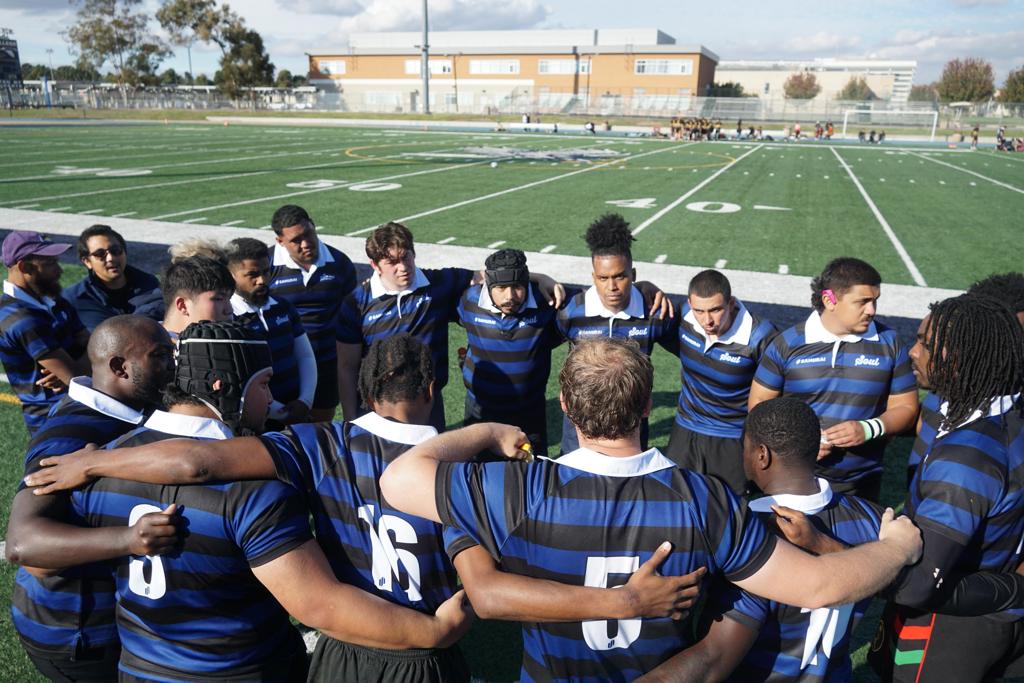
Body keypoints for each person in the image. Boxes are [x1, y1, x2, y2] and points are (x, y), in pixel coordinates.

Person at [25, 334, 701, 681]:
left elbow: (195, 461)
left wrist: (94, 459)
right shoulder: (460, 463)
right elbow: (489, 579)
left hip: (344, 652)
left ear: (368, 387)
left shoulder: (321, 441)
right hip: (425, 653)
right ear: (432, 386)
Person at [379, 336, 923, 681]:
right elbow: (820, 586)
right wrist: (895, 547)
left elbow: (398, 477)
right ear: (646, 404)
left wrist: (484, 429)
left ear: (565, 406)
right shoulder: (704, 498)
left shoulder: (516, 489)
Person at [22, 320, 472, 681]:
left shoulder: (104, 459)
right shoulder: (258, 489)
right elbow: (318, 605)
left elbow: (42, 562)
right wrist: (432, 632)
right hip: (240, 667)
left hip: (140, 666)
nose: (271, 399)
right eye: (263, 385)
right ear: (224, 387)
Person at [643, 397, 886, 682]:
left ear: (762, 455)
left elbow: (716, 655)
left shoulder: (744, 530)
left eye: (744, 446)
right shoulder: (876, 518)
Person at [6, 315, 177, 682]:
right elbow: (25, 546)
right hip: (74, 633)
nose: (171, 366)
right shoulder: (72, 433)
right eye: (160, 356)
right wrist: (130, 540)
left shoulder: (129, 411)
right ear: (120, 367)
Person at [871, 295, 1024, 683]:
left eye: (924, 343)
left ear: (958, 357)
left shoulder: (965, 460)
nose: (912, 352)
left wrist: (830, 552)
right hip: (992, 611)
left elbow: (920, 585)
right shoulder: (1008, 410)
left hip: (950, 627)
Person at [337, 222, 563, 432]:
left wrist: (538, 277)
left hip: (428, 401)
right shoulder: (357, 303)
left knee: (431, 466)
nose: (403, 267)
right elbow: (347, 367)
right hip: (378, 404)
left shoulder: (437, 284)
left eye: (406, 257)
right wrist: (350, 418)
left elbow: (492, 277)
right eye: (392, 262)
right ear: (374, 265)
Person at [749, 257, 919, 502]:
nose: (871, 310)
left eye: (875, 301)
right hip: (793, 476)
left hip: (861, 480)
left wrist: (868, 428)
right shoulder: (787, 344)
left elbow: (906, 407)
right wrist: (797, 441)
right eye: (862, 302)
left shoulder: (890, 343)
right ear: (829, 300)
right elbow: (759, 403)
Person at [556, 213, 677, 453]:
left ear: (633, 274)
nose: (611, 287)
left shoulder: (653, 311)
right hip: (578, 434)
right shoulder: (570, 311)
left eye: (620, 276)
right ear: (593, 278)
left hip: (630, 433)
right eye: (603, 278)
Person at [664, 270, 777, 494]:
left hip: (732, 437)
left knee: (728, 511)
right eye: (699, 310)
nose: (707, 321)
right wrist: (647, 288)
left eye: (716, 309)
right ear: (689, 304)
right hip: (685, 428)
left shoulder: (761, 337)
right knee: (675, 501)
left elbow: (779, 393)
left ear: (731, 303)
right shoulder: (684, 316)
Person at [457, 249, 561, 455]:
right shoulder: (469, 301)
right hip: (480, 409)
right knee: (478, 474)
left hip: (529, 412)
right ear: (488, 285)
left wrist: (643, 288)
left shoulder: (546, 300)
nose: (510, 296)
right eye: (501, 287)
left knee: (532, 475)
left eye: (517, 287)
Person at [267, 204, 357, 422]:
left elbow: (353, 318)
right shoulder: (265, 266)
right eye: (296, 240)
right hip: (283, 365)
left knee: (321, 425)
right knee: (282, 428)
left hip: (327, 362)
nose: (306, 244)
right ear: (280, 241)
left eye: (308, 234)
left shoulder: (339, 263)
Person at [0, 230, 90, 435]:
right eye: (50, 264)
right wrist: (88, 359)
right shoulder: (20, 318)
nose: (59, 270)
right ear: (24, 267)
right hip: (55, 421)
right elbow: (77, 379)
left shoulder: (52, 300)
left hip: (74, 408)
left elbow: (89, 340)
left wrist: (81, 358)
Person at [226, 237, 315, 427]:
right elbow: (236, 377)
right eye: (252, 274)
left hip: (298, 412)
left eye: (267, 271)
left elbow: (305, 356)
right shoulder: (228, 318)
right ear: (230, 274)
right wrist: (279, 413)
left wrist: (305, 401)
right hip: (259, 423)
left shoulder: (283, 306)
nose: (263, 280)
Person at [64, 225, 163, 332]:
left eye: (115, 250)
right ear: (87, 262)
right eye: (100, 254)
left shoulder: (149, 284)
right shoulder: (74, 298)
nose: (110, 258)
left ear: (125, 252)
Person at [159, 255, 234, 341]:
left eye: (229, 298)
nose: (229, 310)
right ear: (183, 305)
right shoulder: (147, 345)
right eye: (218, 299)